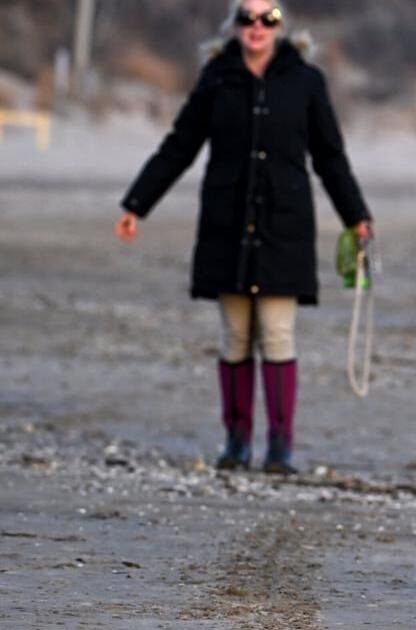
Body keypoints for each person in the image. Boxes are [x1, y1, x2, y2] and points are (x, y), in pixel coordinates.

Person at [114, 0, 371, 474]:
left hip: (285, 228)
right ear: (234, 25)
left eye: (267, 18)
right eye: (247, 18)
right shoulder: (216, 78)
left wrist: (356, 216)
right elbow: (180, 146)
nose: (256, 27)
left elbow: (330, 158)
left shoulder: (307, 81)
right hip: (226, 225)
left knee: (276, 334)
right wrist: (136, 204)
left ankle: (279, 446)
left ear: (281, 25)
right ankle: (236, 441)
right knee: (234, 337)